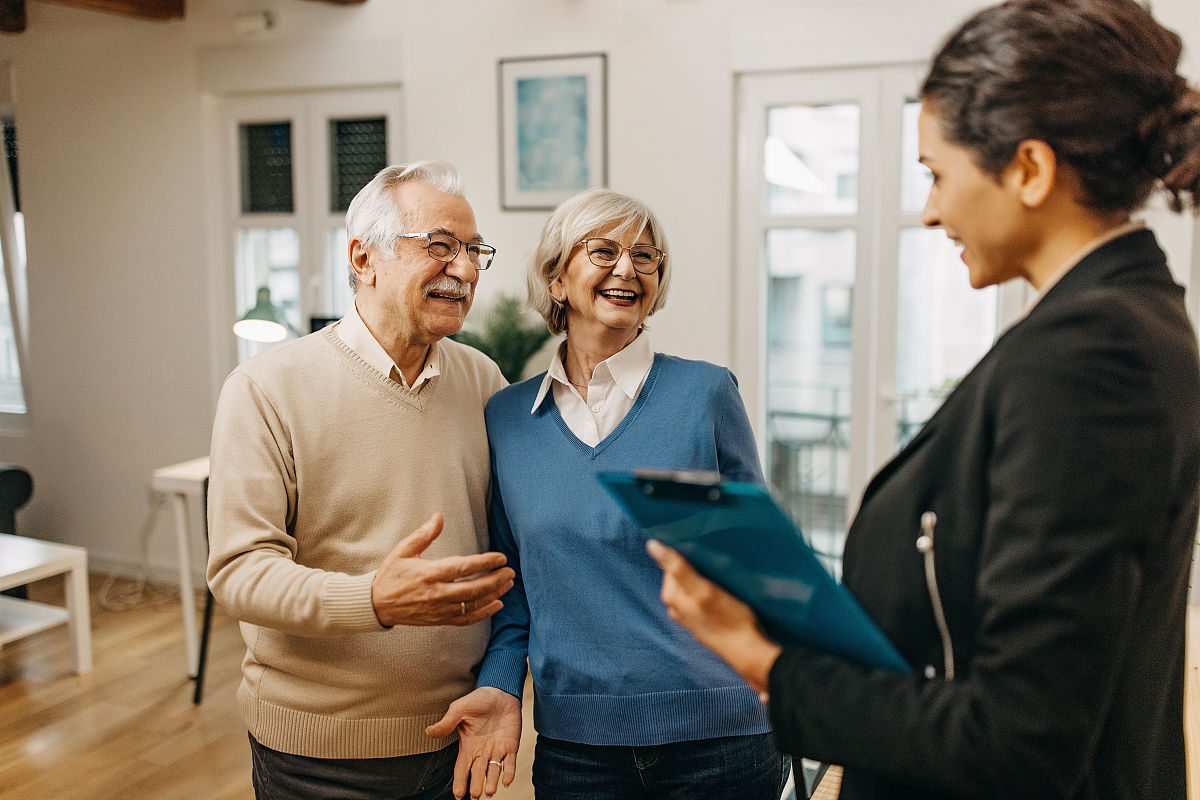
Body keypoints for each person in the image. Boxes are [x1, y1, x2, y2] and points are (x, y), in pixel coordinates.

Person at [650, 1, 1200, 798]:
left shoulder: (1092, 355)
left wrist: (762, 660)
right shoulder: (1122, 318)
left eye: (938, 174)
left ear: (1030, 170)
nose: (932, 209)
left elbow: (1019, 738)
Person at [427, 188, 790, 800]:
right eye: (603, 251)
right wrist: (500, 685)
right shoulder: (508, 419)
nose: (627, 269)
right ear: (556, 278)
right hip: (579, 749)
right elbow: (512, 583)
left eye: (645, 257)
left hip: (721, 738)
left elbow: (760, 559)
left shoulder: (705, 394)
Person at [207, 160, 515, 800]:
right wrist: (372, 600)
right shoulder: (265, 388)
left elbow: (513, 548)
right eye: (440, 246)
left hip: (458, 737)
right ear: (363, 258)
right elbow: (239, 572)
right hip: (320, 756)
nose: (464, 270)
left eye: (474, 251)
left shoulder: (483, 380)